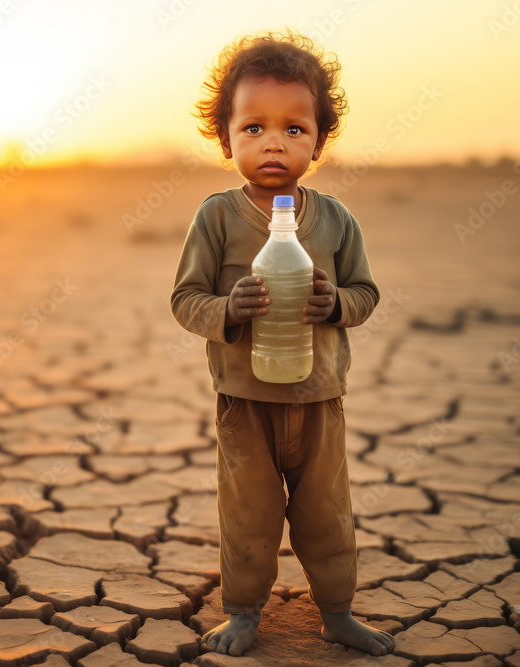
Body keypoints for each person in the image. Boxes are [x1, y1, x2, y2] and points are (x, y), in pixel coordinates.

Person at [170, 29, 393, 657]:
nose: (275, 141)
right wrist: (227, 309)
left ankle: (338, 613)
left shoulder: (336, 220)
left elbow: (366, 294)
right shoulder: (216, 218)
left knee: (327, 512)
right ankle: (243, 613)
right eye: (254, 128)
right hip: (246, 402)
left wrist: (335, 305)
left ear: (319, 138)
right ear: (227, 137)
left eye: (295, 128)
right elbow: (185, 300)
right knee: (249, 516)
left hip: (319, 398)